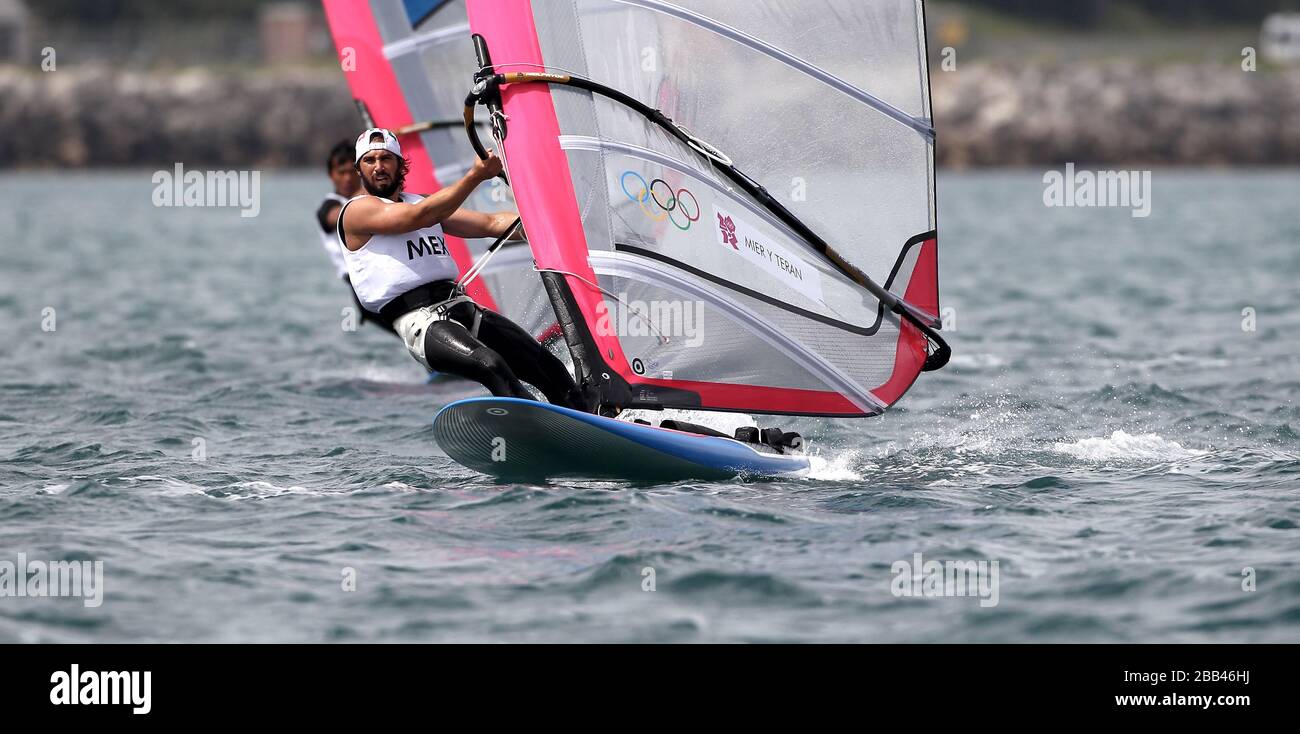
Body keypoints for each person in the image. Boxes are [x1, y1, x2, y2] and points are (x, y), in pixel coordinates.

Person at [336, 128, 586, 410]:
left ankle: (596, 423)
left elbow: (491, 223)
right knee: (490, 364)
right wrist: (475, 176)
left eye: (385, 158)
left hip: (462, 307)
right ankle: (546, 432)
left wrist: (552, 223)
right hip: (421, 323)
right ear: (359, 169)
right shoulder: (357, 212)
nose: (378, 167)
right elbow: (419, 217)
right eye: (369, 161)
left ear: (399, 163)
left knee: (548, 367)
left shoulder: (421, 202)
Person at [315, 140, 397, 336]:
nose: (347, 178)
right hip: (367, 291)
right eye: (340, 173)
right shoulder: (329, 208)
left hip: (388, 278)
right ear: (331, 175)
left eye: (351, 171)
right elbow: (341, 216)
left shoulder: (374, 199)